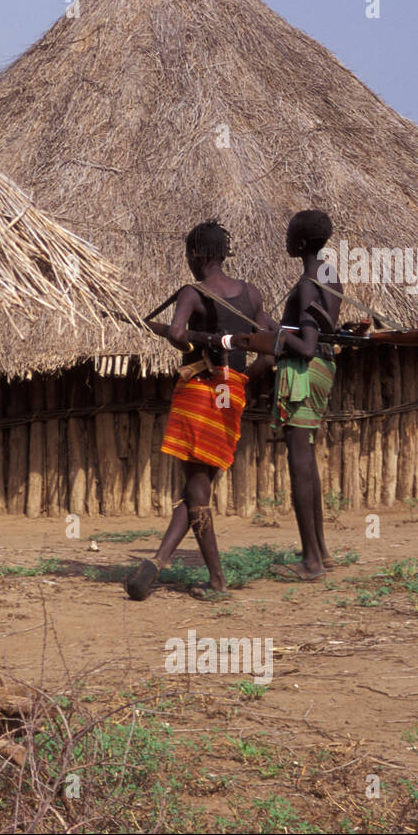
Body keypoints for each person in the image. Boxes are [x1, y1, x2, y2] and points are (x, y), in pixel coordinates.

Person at [125, 220, 273, 600]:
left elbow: (176, 334)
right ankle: (157, 562)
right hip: (229, 396)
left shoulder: (192, 292)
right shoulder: (252, 294)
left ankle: (218, 582)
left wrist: (207, 339)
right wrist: (243, 380)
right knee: (197, 489)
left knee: (198, 490)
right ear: (223, 253)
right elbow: (273, 346)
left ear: (196, 255)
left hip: (200, 393)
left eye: (188, 255)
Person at [251, 209, 342, 581]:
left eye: (289, 236)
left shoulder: (306, 283)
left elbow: (304, 345)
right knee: (308, 460)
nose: (285, 240)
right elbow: (314, 331)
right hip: (324, 369)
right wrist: (273, 325)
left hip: (304, 371)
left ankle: (310, 562)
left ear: (301, 243)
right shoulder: (330, 276)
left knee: (300, 460)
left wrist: (268, 335)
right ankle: (320, 551)